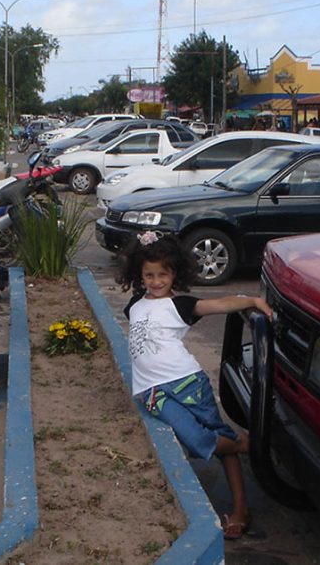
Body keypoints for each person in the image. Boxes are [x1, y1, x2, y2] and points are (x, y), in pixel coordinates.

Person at [115, 231, 272, 540]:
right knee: (198, 440)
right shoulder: (134, 305)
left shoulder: (182, 305)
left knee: (214, 442)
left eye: (164, 274)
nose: (157, 281)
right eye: (150, 275)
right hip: (150, 391)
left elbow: (219, 304)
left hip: (187, 383)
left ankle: (241, 509)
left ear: (175, 273)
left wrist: (251, 299)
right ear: (140, 274)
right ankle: (245, 443)